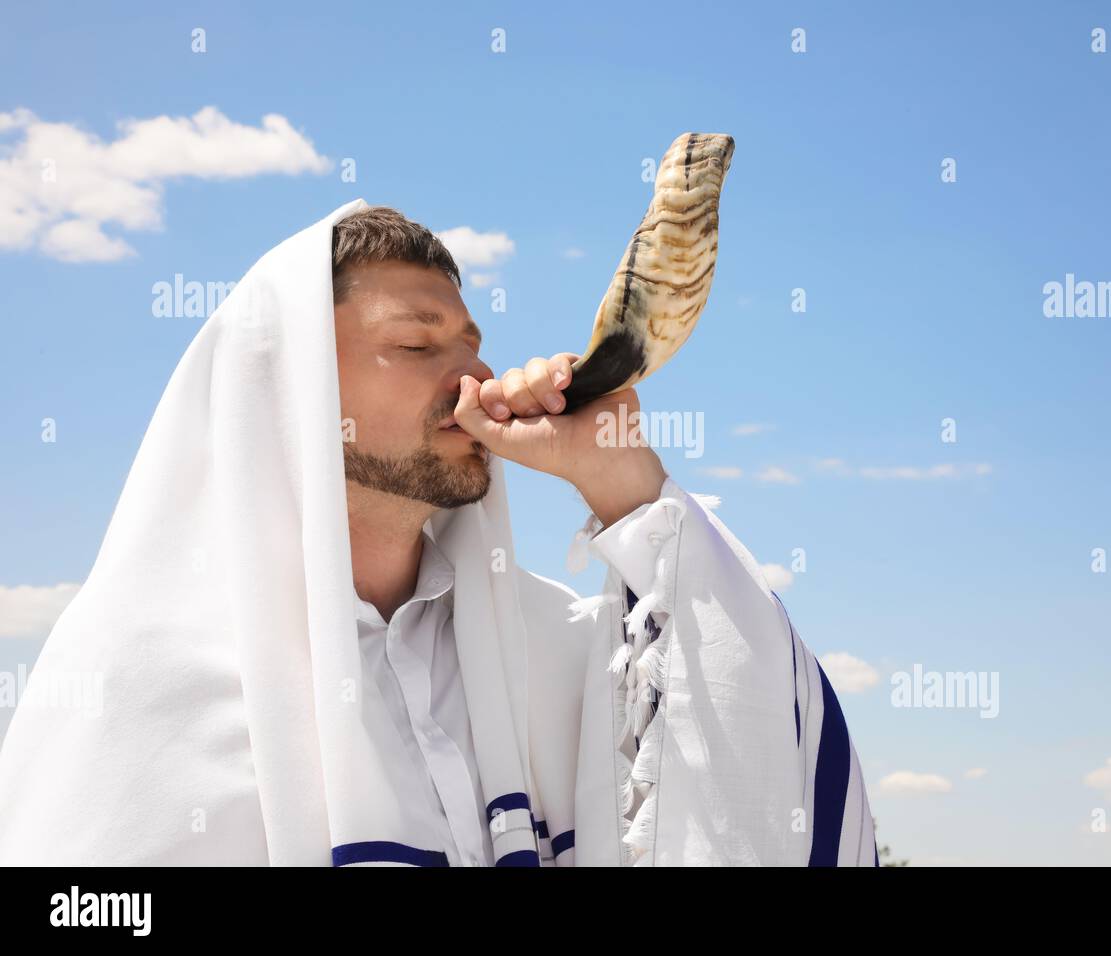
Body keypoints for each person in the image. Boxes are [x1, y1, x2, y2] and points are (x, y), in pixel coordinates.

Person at [0, 201, 876, 866]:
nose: (475, 376)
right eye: (418, 346)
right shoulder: (139, 678)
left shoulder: (554, 657)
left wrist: (620, 480)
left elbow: (758, 750)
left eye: (473, 343)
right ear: (290, 387)